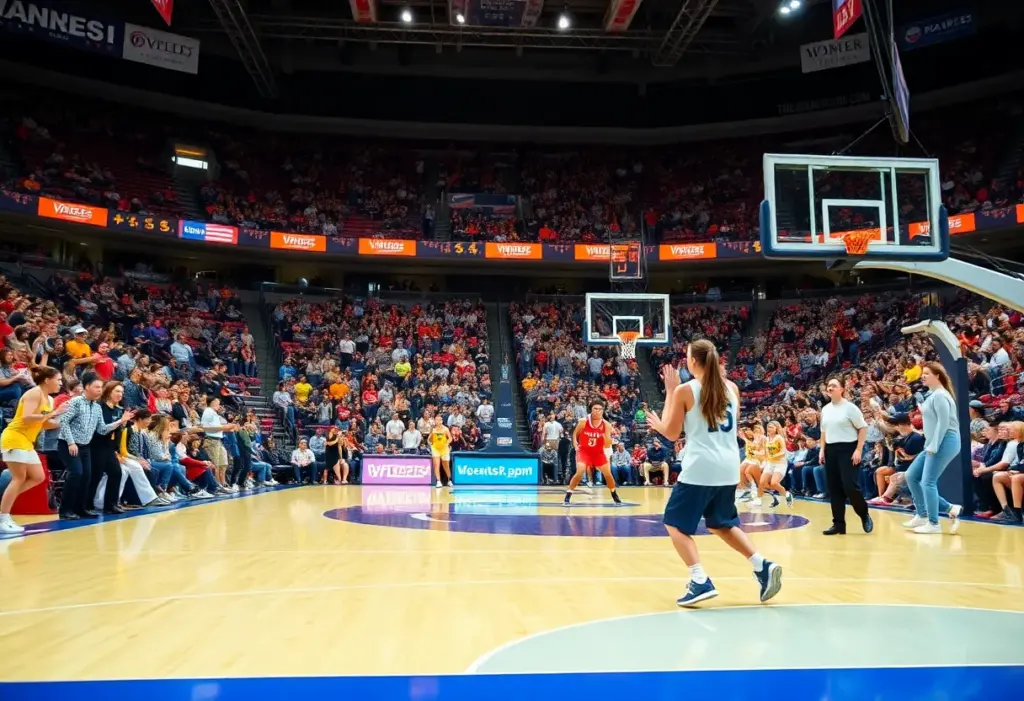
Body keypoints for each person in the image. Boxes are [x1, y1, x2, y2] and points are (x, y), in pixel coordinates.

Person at [645, 339, 782, 607]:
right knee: (721, 523)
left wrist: (670, 392)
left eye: (687, 356)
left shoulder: (686, 390)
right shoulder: (732, 388)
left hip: (701, 467)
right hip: (728, 467)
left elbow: (671, 433)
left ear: (693, 361)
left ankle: (699, 580)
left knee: (674, 523)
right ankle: (762, 565)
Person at [0, 367, 68, 533]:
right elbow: (27, 417)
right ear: (47, 380)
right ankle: (3, 517)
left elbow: (44, 424)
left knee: (38, 477)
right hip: (15, 437)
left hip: (27, 441)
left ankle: (5, 502)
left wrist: (62, 420)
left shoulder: (49, 399)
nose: (61, 383)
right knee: (19, 478)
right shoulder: (34, 393)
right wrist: (53, 413)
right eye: (58, 380)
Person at [902, 363, 963, 534]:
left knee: (928, 482)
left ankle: (934, 523)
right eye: (923, 373)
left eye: (927, 373)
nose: (923, 376)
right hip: (933, 442)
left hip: (944, 441)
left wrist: (934, 445)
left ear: (937, 375)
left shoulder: (941, 395)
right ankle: (926, 513)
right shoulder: (932, 395)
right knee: (911, 476)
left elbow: (943, 423)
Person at [56, 372, 125, 520]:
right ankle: (65, 510)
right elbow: (64, 422)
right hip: (68, 444)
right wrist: (71, 442)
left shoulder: (97, 407)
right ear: (87, 387)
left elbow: (102, 429)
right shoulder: (76, 402)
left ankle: (81, 508)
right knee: (76, 473)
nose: (100, 390)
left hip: (85, 446)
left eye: (101, 387)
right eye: (97, 387)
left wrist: (120, 422)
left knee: (87, 476)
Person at [819, 378, 873, 535]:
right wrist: (822, 449)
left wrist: (858, 449)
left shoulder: (850, 408)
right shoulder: (825, 409)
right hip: (831, 450)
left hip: (848, 449)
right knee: (834, 488)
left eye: (834, 386)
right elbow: (823, 431)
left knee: (850, 486)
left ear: (842, 389)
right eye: (828, 386)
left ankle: (864, 514)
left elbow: (863, 428)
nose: (830, 388)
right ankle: (838, 525)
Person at [565, 400, 622, 504]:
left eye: (600, 409)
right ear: (591, 409)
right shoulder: (583, 422)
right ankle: (568, 493)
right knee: (580, 471)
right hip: (584, 451)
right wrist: (575, 445)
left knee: (608, 473)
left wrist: (608, 439)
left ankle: (614, 493)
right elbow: (575, 434)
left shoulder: (606, 425)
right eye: (595, 409)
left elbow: (607, 444)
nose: (598, 411)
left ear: (603, 411)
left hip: (598, 452)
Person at [757, 421, 793, 509]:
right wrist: (758, 454)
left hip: (780, 463)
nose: (769, 429)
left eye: (771, 427)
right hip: (770, 463)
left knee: (774, 483)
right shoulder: (766, 439)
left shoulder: (779, 438)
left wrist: (774, 456)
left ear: (776, 428)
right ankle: (759, 500)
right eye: (768, 427)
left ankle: (787, 495)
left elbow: (783, 452)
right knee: (762, 482)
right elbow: (765, 453)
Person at [429, 416, 453, 490]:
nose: (438, 421)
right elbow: (429, 439)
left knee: (446, 465)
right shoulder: (433, 429)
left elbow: (450, 438)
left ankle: (449, 480)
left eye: (439, 420)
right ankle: (438, 481)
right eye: (436, 420)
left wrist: (447, 443)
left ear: (441, 421)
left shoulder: (445, 429)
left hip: (444, 449)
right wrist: (430, 443)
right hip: (435, 449)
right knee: (436, 465)